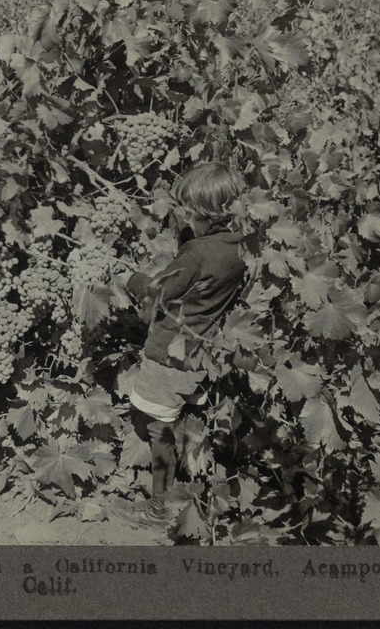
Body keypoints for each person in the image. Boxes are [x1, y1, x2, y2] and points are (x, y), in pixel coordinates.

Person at [119, 161, 248, 525]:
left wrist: (129, 278)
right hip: (199, 352)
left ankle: (159, 506)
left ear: (207, 212)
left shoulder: (195, 254)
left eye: (190, 211)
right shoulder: (239, 248)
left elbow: (158, 291)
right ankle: (182, 489)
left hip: (168, 355)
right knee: (176, 420)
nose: (185, 216)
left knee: (157, 427)